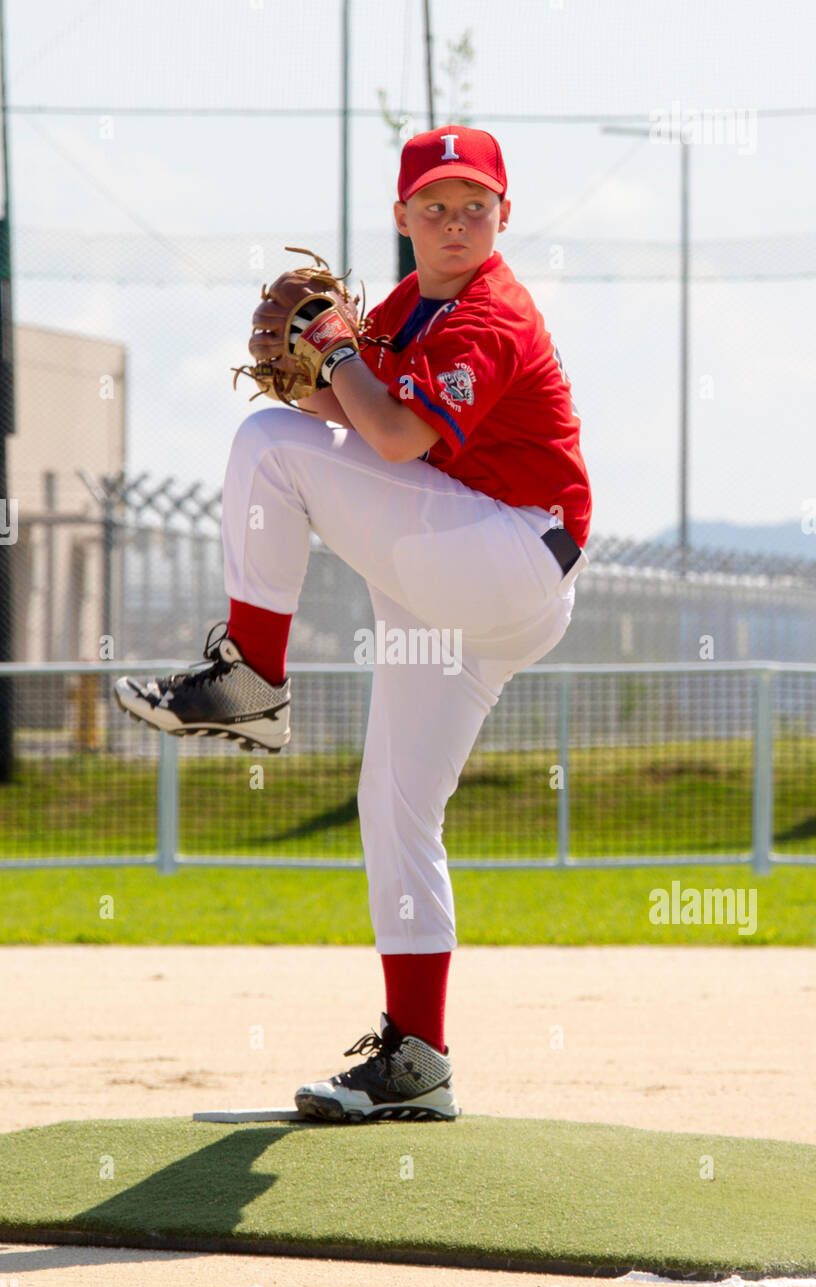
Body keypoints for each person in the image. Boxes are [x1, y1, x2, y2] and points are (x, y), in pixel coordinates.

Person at [115, 125, 592, 1123]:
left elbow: (391, 433)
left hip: (505, 556)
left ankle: (253, 677)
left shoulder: (487, 316)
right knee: (394, 806)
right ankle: (418, 1058)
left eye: (475, 205)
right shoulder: (416, 307)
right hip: (460, 586)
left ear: (505, 217)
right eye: (436, 205)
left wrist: (332, 356)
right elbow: (356, 412)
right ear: (403, 216)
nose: (456, 221)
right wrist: (325, 370)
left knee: (269, 447)